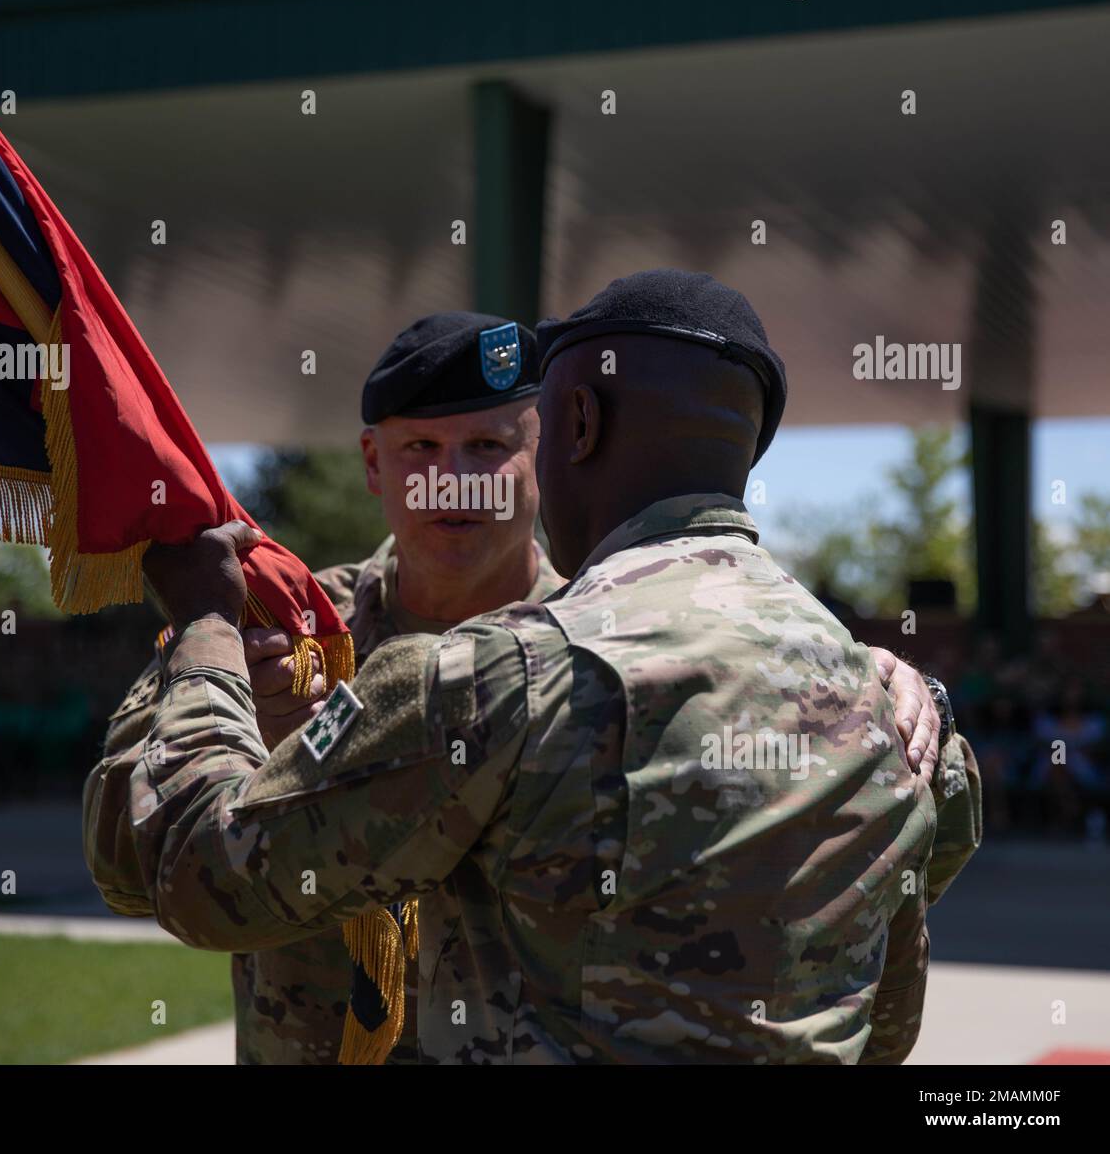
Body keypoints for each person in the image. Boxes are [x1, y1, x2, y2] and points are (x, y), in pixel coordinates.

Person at [85, 277, 977, 1063]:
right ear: (373, 464)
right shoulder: (280, 623)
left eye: (490, 447)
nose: (457, 482)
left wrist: (203, 640)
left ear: (562, 433)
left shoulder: (502, 673)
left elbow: (201, 868)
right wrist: (249, 720)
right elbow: (127, 860)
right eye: (423, 452)